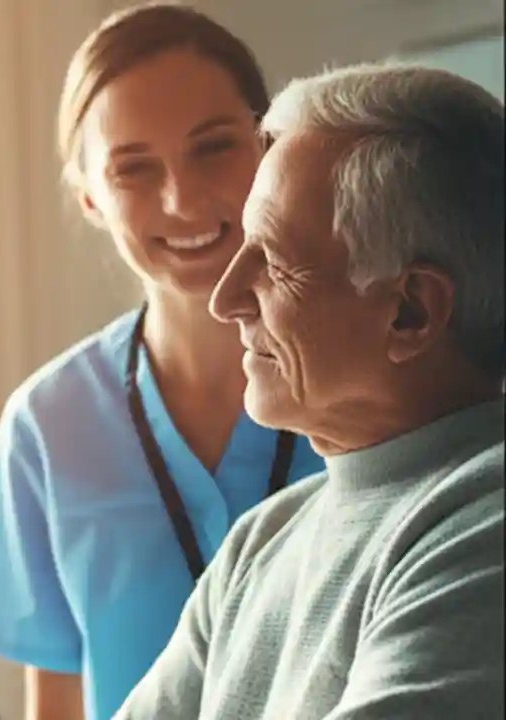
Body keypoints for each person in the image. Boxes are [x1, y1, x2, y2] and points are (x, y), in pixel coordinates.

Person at [0, 4, 326, 719]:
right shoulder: (49, 426)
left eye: (212, 148)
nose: (181, 200)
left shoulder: (388, 378)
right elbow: (56, 706)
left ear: (271, 146)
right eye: (133, 169)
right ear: (89, 197)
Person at [114, 62, 505, 719]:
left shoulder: (484, 528)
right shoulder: (262, 539)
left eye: (273, 260)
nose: (226, 298)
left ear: (410, 311)